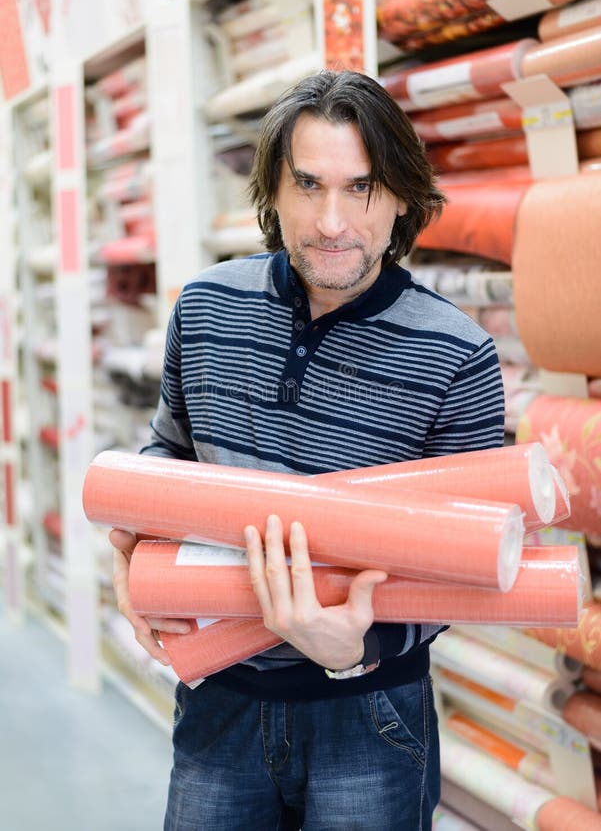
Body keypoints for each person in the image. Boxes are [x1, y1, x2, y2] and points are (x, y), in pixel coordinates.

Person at [110, 69, 505, 830]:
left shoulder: (458, 355)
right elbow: (170, 451)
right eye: (308, 185)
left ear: (400, 199)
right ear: (273, 191)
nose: (331, 222)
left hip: (369, 710)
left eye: (361, 188)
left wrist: (356, 645)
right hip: (218, 691)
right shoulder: (204, 306)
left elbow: (469, 567)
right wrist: (131, 543)